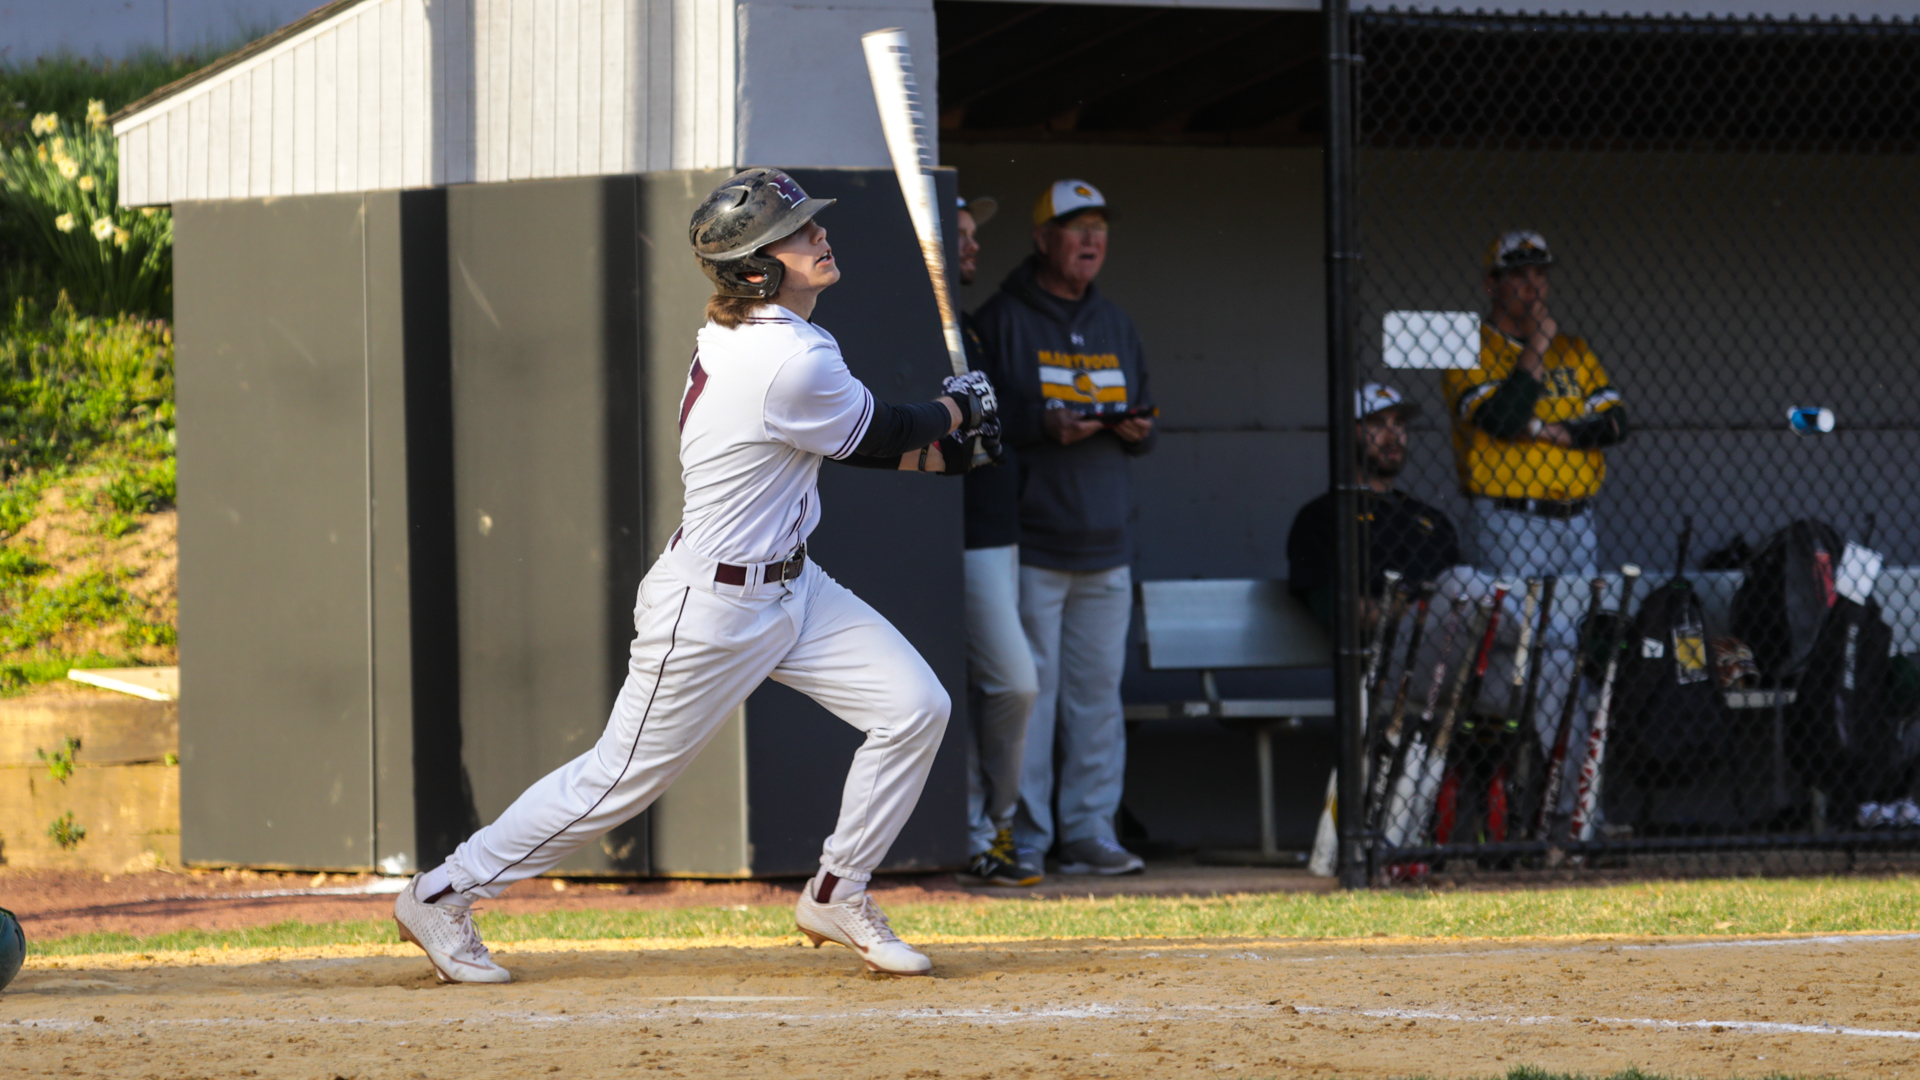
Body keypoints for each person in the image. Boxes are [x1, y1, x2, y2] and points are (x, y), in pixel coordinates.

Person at [392, 168, 998, 982]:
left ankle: (836, 889)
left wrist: (948, 448)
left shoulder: (765, 338)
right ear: (756, 270)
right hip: (710, 608)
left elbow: (872, 444)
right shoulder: (783, 357)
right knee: (616, 784)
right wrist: (957, 413)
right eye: (797, 232)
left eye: (811, 224)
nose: (819, 234)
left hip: (793, 587)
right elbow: (885, 432)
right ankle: (443, 891)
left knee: (915, 707)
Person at [974, 179, 1156, 876]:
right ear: (1042, 238)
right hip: (1035, 542)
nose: (1090, 240)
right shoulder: (1002, 319)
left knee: (1096, 703)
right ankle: (1023, 836)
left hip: (1107, 542)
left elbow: (1143, 415)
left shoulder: (1116, 323)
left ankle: (1090, 830)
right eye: (1074, 227)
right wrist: (1044, 424)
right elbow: (992, 420)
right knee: (1032, 701)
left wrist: (1137, 429)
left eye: (1099, 228)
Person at [1443, 231, 1628, 581]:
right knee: (1513, 627)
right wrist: (1540, 341)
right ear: (1491, 285)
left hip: (1579, 517)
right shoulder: (1464, 345)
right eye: (1517, 275)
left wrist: (1547, 432)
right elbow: (1504, 420)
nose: (1533, 285)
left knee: (1573, 627)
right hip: (1508, 519)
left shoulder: (1574, 348)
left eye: (1540, 274)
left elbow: (1617, 424)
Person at [956, 194, 1044, 887]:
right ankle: (971, 833)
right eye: (959, 235)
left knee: (1013, 684)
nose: (973, 246)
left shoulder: (969, 327)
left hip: (991, 530)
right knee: (946, 689)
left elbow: (1015, 410)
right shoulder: (921, 318)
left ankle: (996, 822)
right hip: (936, 530)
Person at [1288, 383, 1462, 630]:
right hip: (1380, 652)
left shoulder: (1431, 518)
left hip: (1445, 645)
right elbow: (1334, 608)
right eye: (1377, 424)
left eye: (1399, 424)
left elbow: (1459, 591)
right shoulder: (1323, 515)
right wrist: (1416, 615)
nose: (1392, 437)